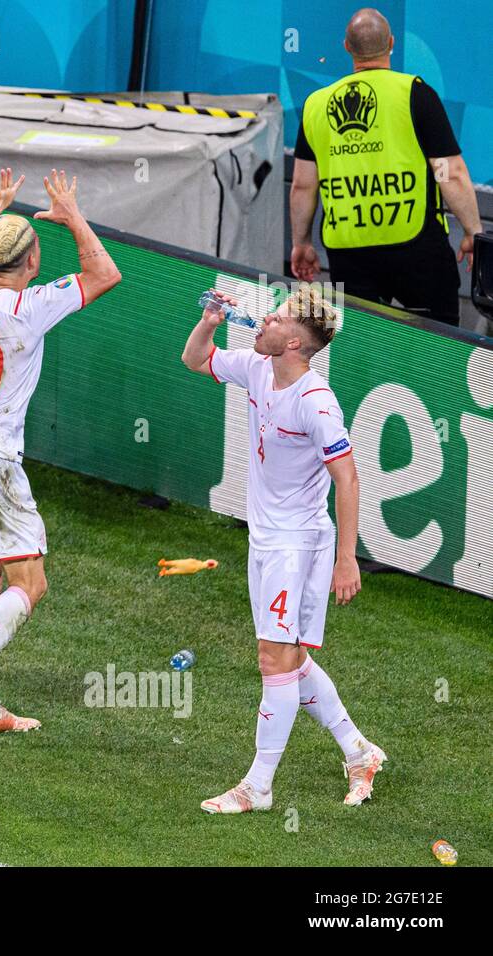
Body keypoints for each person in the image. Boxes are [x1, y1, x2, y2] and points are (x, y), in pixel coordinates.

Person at [0, 169, 121, 738]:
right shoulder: (31, 306)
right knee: (28, 586)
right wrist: (72, 216)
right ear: (33, 262)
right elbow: (104, 273)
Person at [182, 284, 387, 813]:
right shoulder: (257, 366)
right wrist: (209, 319)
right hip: (266, 537)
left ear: (295, 342)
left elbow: (347, 478)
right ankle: (359, 752)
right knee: (289, 660)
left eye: (280, 315)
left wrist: (346, 559)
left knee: (273, 660)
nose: (267, 316)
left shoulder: (316, 403)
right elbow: (195, 359)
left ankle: (259, 787)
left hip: (298, 545)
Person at [290, 7, 483, 326]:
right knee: (437, 344)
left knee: (359, 346)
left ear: (347, 47)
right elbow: (449, 171)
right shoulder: (416, 94)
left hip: (349, 253)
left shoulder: (316, 105)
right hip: (418, 248)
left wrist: (301, 243)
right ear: (392, 43)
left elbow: (302, 185)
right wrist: (473, 232)